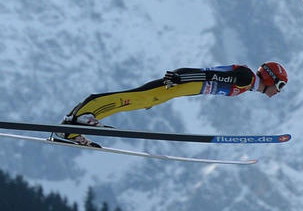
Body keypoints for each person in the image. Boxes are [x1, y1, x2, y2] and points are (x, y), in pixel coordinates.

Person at [55, 62, 288, 147]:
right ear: (270, 79)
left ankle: (74, 127)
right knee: (137, 98)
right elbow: (209, 76)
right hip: (178, 84)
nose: (278, 93)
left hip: (177, 89)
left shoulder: (246, 84)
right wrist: (181, 77)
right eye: (280, 86)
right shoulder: (246, 78)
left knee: (137, 102)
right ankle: (81, 116)